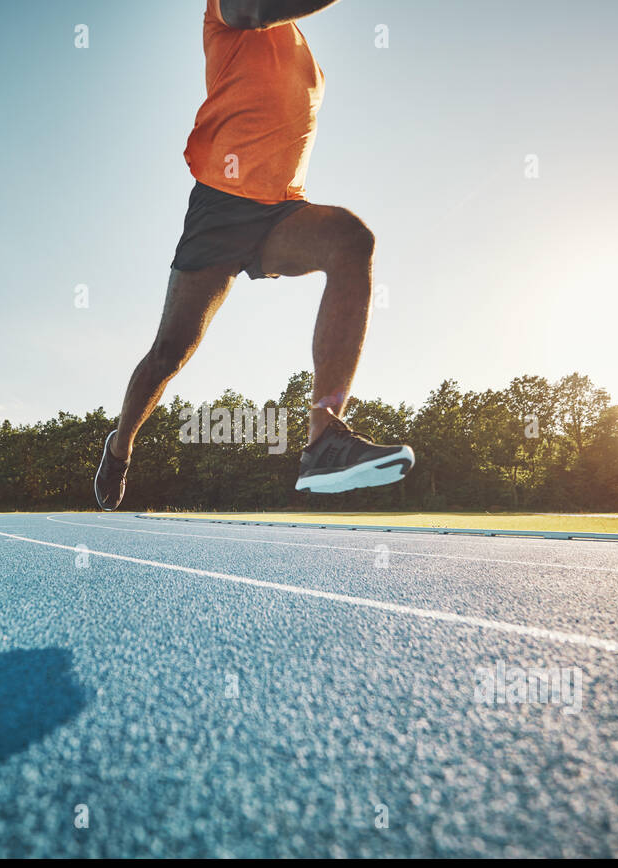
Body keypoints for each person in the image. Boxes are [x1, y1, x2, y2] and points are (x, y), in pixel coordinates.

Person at [95, 0, 414, 510]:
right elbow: (254, 11)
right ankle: (120, 446)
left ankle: (323, 439)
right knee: (169, 352)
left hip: (279, 213)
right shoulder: (228, 10)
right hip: (221, 205)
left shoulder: (302, 51)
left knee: (352, 240)